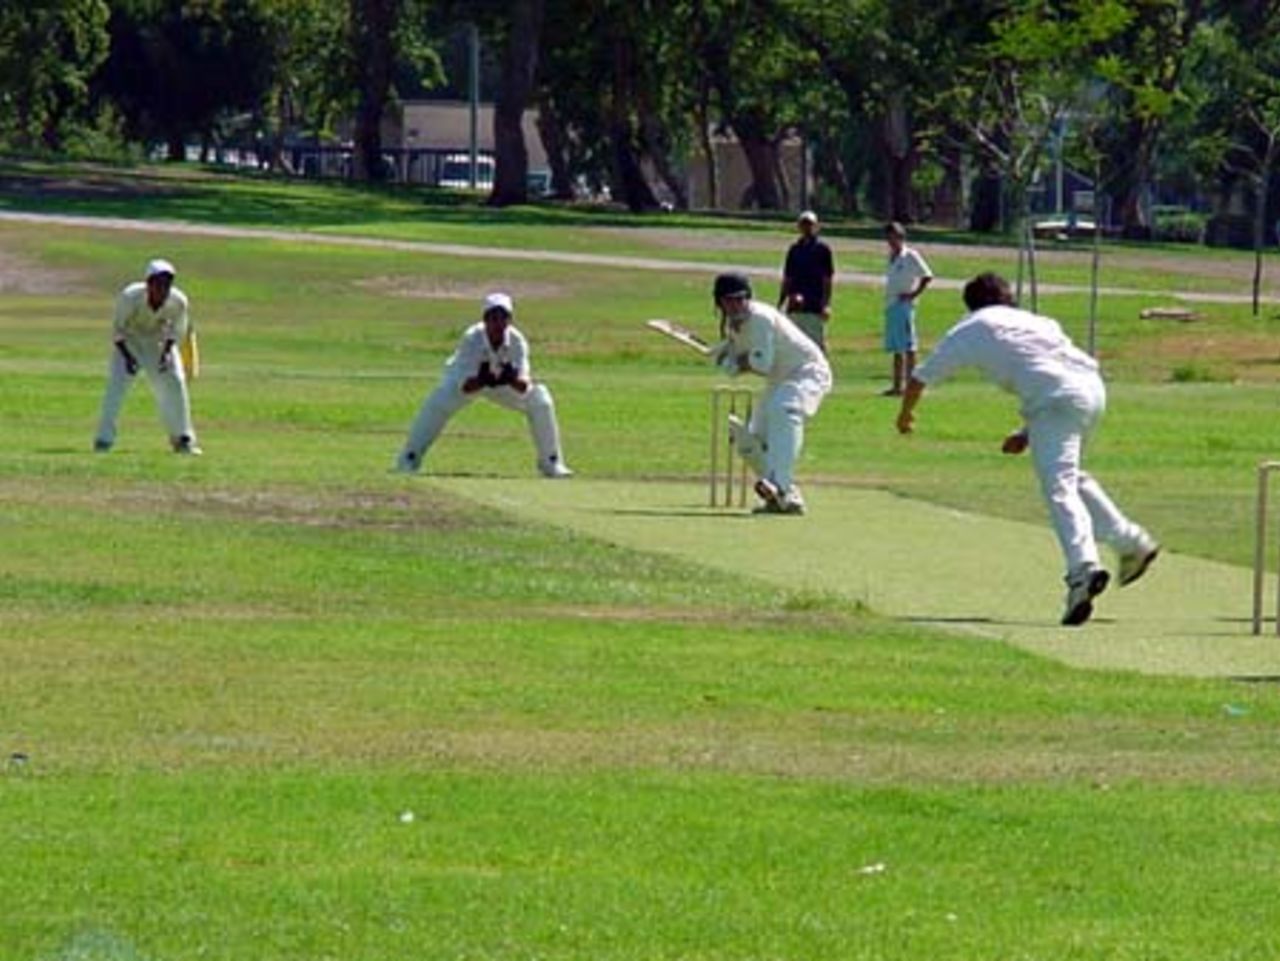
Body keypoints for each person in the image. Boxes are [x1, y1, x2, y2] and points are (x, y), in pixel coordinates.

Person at [895, 271, 1159, 626]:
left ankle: (1083, 569)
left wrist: (905, 415)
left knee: (1060, 486)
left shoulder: (971, 328)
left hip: (1056, 399)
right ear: (1008, 299)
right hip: (1092, 391)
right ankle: (1131, 542)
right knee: (1071, 477)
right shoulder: (1038, 321)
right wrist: (1028, 431)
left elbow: (920, 378)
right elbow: (1052, 369)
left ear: (971, 304)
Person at [395, 292, 572, 478]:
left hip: (502, 386)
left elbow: (523, 387)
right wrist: (484, 377)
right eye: (493, 317)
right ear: (484, 319)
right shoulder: (472, 338)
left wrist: (510, 377)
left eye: (503, 317)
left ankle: (551, 462)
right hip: (467, 381)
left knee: (540, 399)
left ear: (510, 320)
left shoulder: (517, 342)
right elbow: (465, 387)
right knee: (438, 401)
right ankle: (409, 459)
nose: (498, 323)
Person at [711, 272, 832, 515]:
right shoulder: (734, 325)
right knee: (751, 441)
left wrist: (736, 364)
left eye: (739, 299)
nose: (735, 305)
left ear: (748, 298)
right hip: (780, 379)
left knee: (785, 409)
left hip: (807, 372)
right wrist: (726, 356)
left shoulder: (761, 318)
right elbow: (742, 355)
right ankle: (784, 498)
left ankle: (781, 485)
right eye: (728, 300)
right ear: (720, 302)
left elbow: (761, 364)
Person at [94, 258, 201, 455]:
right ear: (148, 283)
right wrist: (128, 357)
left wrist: (166, 353)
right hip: (129, 341)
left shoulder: (178, 301)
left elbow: (177, 331)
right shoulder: (130, 297)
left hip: (157, 341)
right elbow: (118, 329)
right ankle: (103, 440)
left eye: (167, 283)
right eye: (158, 283)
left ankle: (182, 438)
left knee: (175, 383)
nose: (163, 288)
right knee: (116, 389)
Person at [882, 221, 933, 396]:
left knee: (909, 347)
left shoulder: (910, 255)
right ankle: (897, 386)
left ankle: (912, 385)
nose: (891, 241)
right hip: (891, 305)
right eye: (888, 237)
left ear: (901, 237)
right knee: (897, 348)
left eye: (894, 237)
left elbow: (927, 276)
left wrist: (913, 294)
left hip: (904, 306)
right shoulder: (891, 256)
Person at [776, 210, 835, 352]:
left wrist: (826, 304)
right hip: (795, 303)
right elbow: (788, 277)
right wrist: (781, 301)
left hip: (815, 304)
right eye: (803, 224)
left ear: (816, 226)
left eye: (810, 224)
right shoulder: (794, 249)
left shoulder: (823, 250)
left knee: (816, 344)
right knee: (794, 343)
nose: (807, 228)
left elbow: (827, 279)